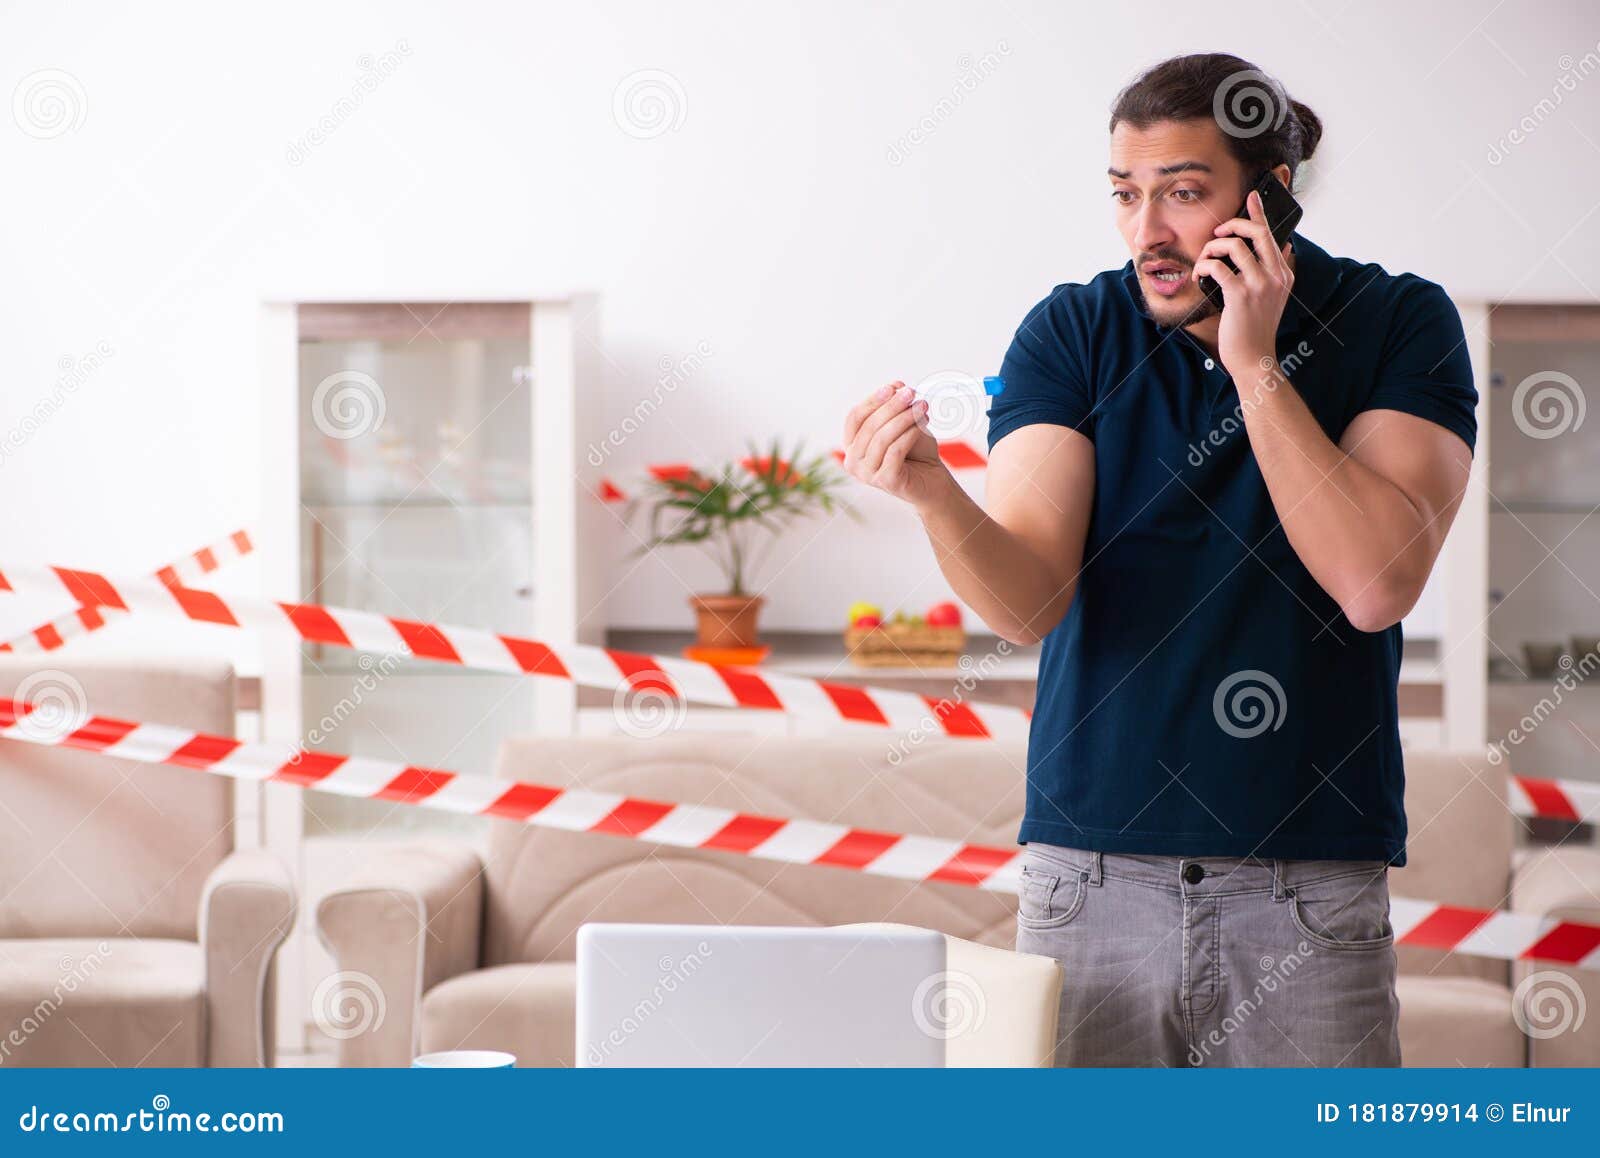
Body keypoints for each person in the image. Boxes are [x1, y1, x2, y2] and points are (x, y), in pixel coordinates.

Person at [839, 52, 1477, 1067]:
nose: (1148, 232)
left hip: (1304, 882)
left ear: (1271, 198)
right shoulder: (1073, 332)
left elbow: (1374, 584)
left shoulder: (1400, 324)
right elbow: (1027, 601)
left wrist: (1255, 366)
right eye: (1126, 195)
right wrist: (930, 491)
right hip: (1087, 879)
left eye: (1182, 193)